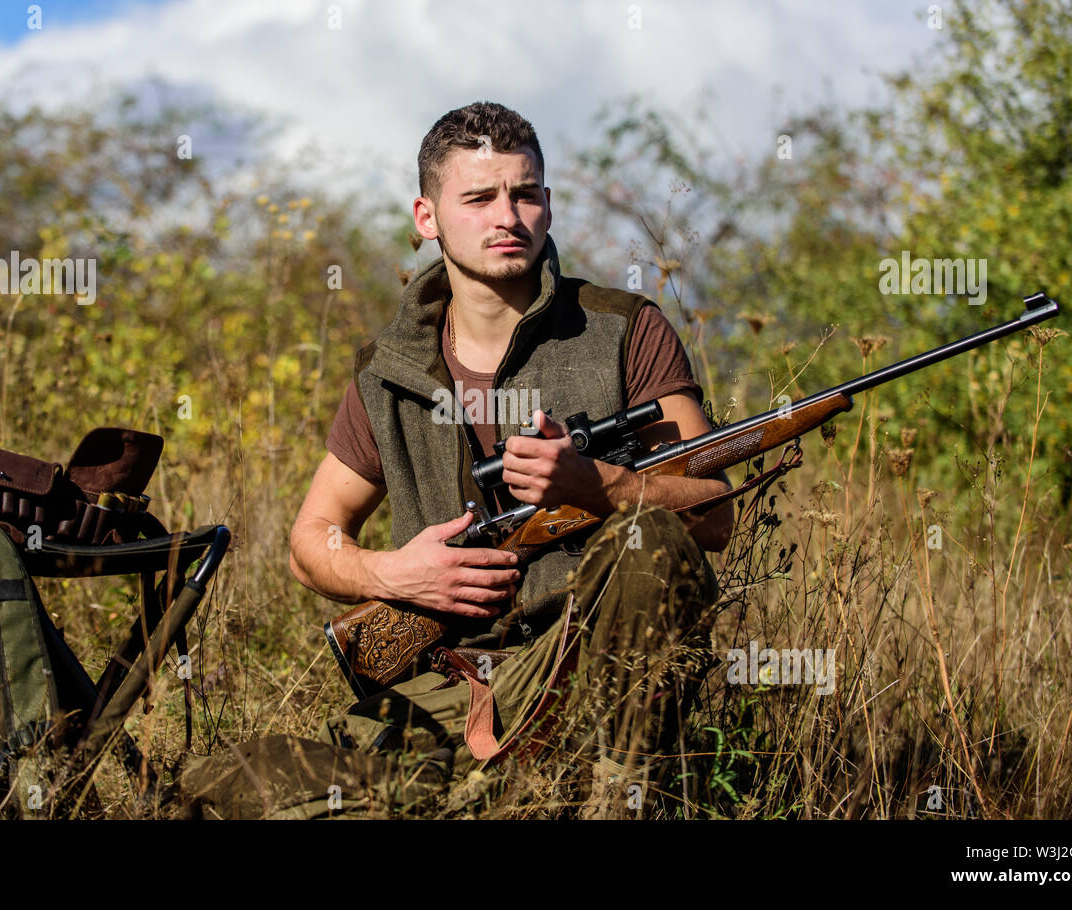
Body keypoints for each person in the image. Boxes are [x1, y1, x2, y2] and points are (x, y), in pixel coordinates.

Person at [180, 101, 735, 819]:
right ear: (427, 216)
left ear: (548, 205)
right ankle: (472, 794)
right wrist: (395, 571)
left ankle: (608, 801)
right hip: (442, 688)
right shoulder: (388, 371)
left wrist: (598, 485)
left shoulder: (624, 330)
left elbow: (714, 514)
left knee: (644, 535)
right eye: (478, 197)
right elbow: (308, 542)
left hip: (588, 668)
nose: (507, 216)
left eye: (525, 193)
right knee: (235, 778)